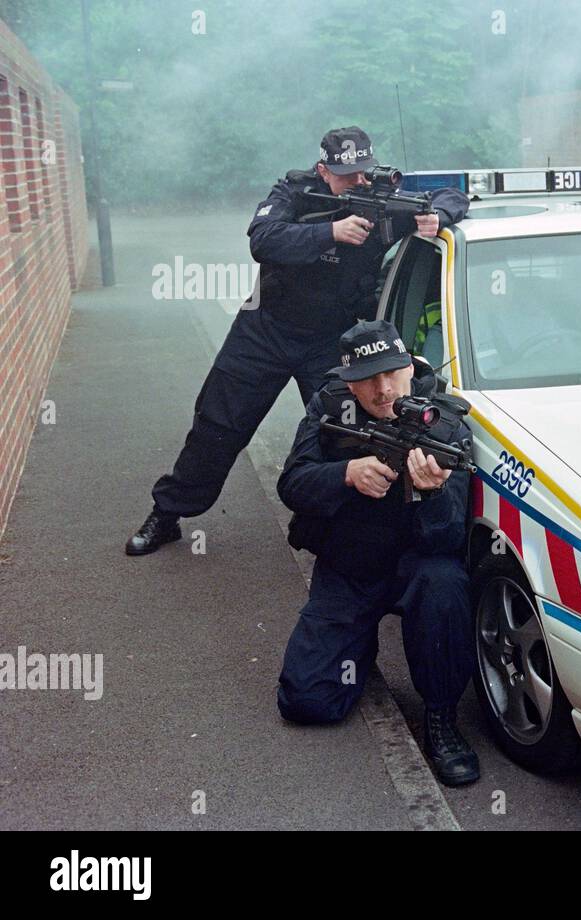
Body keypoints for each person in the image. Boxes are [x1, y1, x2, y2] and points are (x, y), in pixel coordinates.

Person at [125, 126, 470, 556]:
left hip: (331, 339)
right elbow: (263, 239)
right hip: (265, 328)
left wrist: (441, 214)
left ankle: (337, 536)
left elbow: (452, 196)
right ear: (324, 170)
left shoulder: (383, 199)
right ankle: (169, 512)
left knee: (345, 431)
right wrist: (330, 233)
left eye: (364, 172)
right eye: (347, 176)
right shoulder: (294, 190)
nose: (358, 182)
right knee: (218, 424)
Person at [275, 319, 479, 786]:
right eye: (368, 378)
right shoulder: (331, 406)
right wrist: (346, 473)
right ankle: (356, 644)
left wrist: (431, 494)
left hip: (416, 567)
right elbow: (293, 483)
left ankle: (442, 718)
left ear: (409, 366)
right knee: (307, 702)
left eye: (392, 372)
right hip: (351, 566)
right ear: (349, 381)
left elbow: (449, 538)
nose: (383, 389)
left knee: (445, 584)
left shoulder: (443, 423)